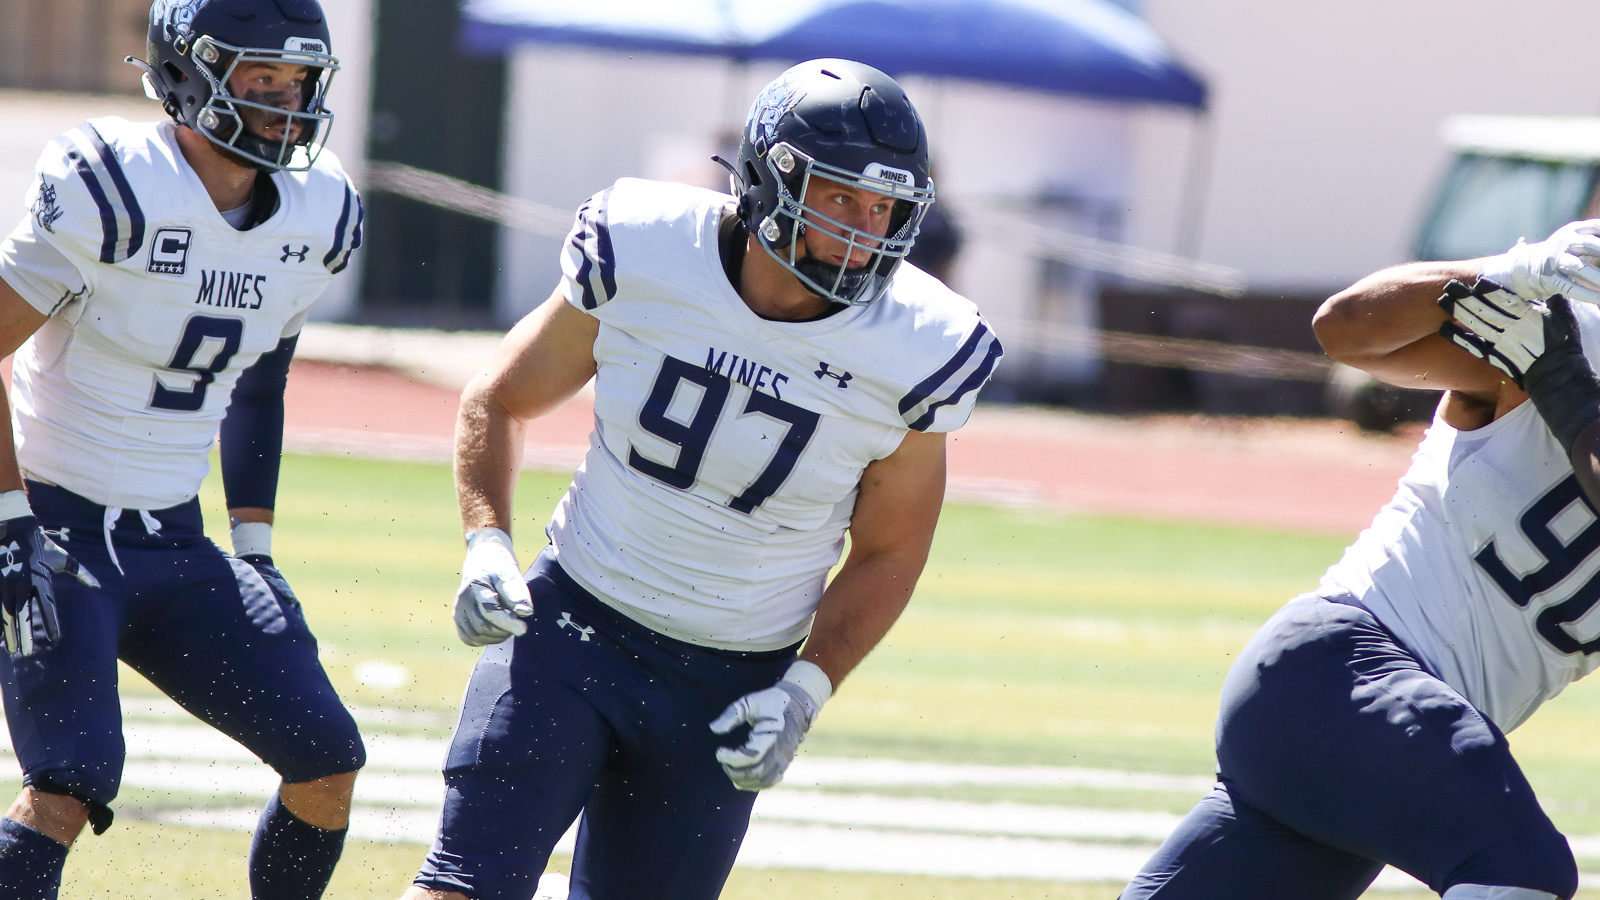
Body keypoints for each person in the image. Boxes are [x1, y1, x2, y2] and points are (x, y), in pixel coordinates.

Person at [400, 59, 1002, 900]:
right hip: (574, 629)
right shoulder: (646, 245)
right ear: (768, 178)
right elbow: (500, 399)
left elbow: (890, 552)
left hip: (728, 683)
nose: (867, 230)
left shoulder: (921, 344)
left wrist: (804, 688)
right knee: (459, 889)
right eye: (840, 198)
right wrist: (488, 542)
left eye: (886, 207)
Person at [0, 1, 366, 897]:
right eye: (260, 78)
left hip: (175, 539)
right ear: (189, 72)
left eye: (297, 81)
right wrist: (9, 527)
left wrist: (257, 549)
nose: (285, 103)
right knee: (69, 785)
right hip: (54, 527)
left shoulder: (318, 213)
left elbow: (258, 385)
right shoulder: (113, 183)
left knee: (327, 763)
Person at [1119, 222, 1600, 900]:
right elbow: (1344, 331)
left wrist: (1571, 398)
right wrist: (1506, 271)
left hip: (1368, 742)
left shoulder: (1563, 366)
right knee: (1521, 877)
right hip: (1343, 668)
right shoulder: (1567, 333)